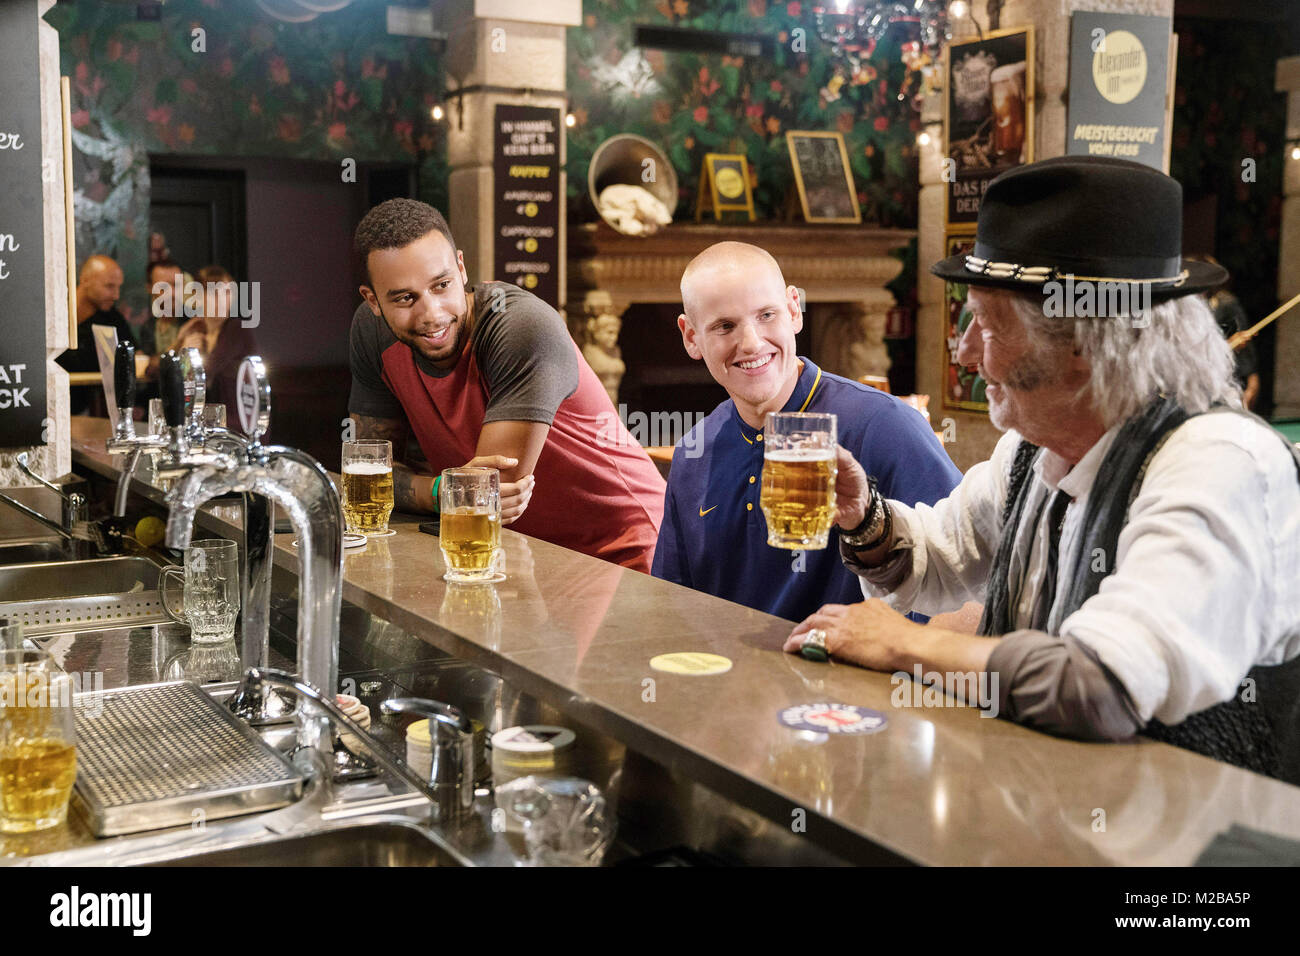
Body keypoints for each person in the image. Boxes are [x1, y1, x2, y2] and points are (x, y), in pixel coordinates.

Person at [785, 157, 1300, 784]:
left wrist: (902, 643)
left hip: (1191, 851)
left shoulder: (1219, 464)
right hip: (1054, 815)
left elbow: (1101, 685)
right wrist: (864, 514)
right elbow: (940, 559)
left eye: (987, 325)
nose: (965, 350)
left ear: (1084, 345)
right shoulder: (1035, 448)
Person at [347, 198, 665, 572]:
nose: (431, 314)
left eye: (441, 285)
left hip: (626, 552)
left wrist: (427, 488)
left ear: (462, 268)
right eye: (405, 298)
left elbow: (488, 495)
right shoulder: (372, 335)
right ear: (372, 300)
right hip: (525, 555)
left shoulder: (521, 327)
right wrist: (438, 491)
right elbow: (366, 478)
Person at [653, 241, 962, 622]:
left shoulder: (884, 425)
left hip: (858, 678)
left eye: (766, 315)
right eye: (724, 326)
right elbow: (671, 606)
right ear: (690, 337)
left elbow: (965, 580)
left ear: (794, 309)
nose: (750, 343)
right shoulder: (693, 452)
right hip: (725, 677)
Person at [175, 265, 260, 425]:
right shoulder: (195, 328)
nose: (222, 300)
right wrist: (179, 344)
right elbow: (162, 373)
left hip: (239, 424)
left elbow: (205, 373)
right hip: (207, 422)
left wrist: (184, 357)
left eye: (227, 293)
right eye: (215, 293)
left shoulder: (238, 328)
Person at [58, 254, 135, 415]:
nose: (116, 295)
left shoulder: (113, 319)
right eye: (109, 286)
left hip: (86, 410)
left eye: (119, 287)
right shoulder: (54, 310)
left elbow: (136, 356)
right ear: (85, 280)